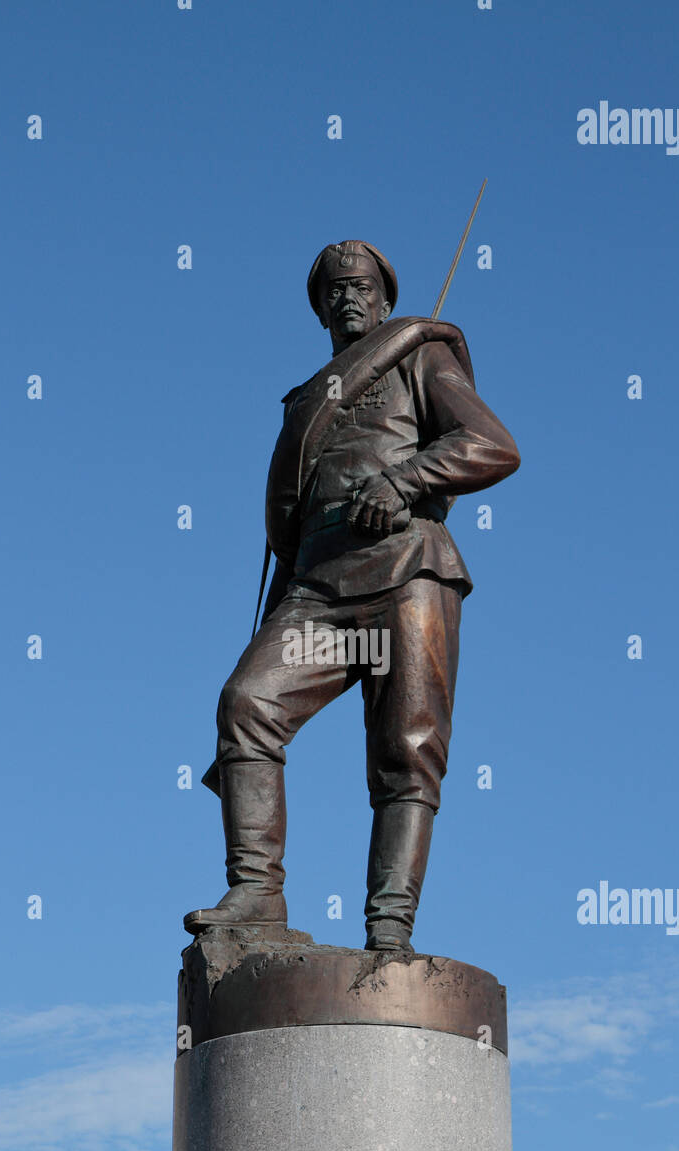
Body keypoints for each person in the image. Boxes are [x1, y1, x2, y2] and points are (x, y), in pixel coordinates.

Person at [185, 240, 520, 951]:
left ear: (384, 298)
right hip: (317, 587)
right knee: (249, 701)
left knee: (406, 752)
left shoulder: (416, 357)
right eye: (333, 290)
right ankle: (257, 894)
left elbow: (493, 445)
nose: (347, 298)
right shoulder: (305, 400)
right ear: (319, 309)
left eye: (360, 286)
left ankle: (389, 933)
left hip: (407, 571)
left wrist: (405, 481)